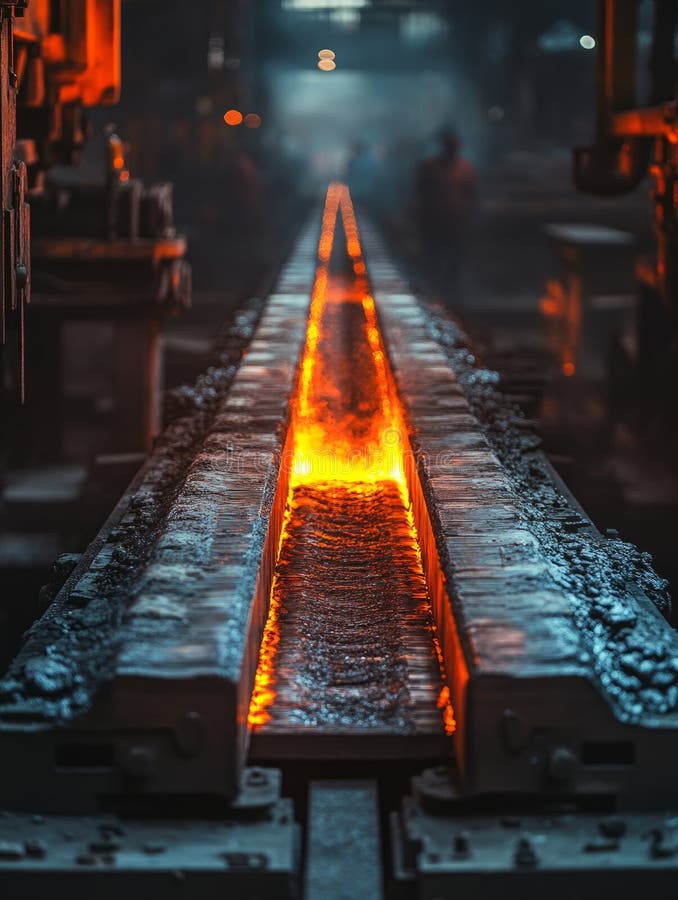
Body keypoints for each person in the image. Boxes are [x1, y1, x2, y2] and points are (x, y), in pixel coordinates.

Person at [416, 129, 477, 303]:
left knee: (454, 261)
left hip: (456, 222)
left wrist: (470, 220)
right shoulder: (429, 167)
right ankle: (433, 295)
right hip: (434, 221)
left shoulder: (465, 169)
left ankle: (452, 297)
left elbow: (471, 196)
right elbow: (421, 193)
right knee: (434, 259)